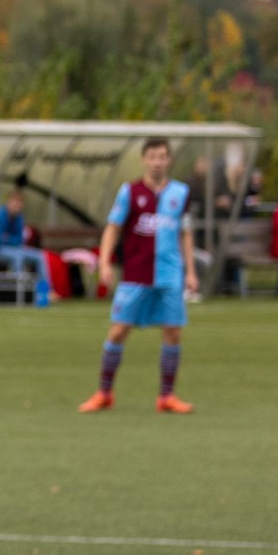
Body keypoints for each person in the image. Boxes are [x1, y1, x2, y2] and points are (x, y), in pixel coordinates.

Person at [80, 136, 198, 415]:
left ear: (169, 160)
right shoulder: (129, 192)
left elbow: (185, 233)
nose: (157, 162)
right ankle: (104, 392)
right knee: (119, 330)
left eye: (162, 157)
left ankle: (166, 396)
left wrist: (190, 271)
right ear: (144, 160)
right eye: (153, 157)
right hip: (135, 273)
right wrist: (106, 262)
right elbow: (112, 228)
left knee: (172, 332)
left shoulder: (180, 193)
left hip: (169, 275)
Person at [0, 189, 51, 305]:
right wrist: (10, 240)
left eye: (19, 204)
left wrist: (7, 238)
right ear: (8, 202)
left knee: (40, 256)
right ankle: (20, 293)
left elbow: (19, 239)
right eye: (14, 203)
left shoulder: (19, 218)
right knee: (17, 256)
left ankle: (44, 293)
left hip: (12, 249)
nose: (16, 206)